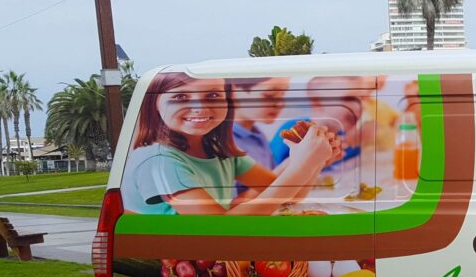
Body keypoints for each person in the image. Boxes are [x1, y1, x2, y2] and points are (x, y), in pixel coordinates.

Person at [121, 72, 342, 215]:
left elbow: (289, 197)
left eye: (213, 96)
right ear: (155, 106)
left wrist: (313, 161)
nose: (200, 107)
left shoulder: (220, 153)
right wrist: (303, 163)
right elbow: (220, 229)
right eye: (181, 98)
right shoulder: (159, 161)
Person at [230, 76, 290, 169]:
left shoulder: (258, 136)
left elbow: (270, 179)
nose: (280, 104)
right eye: (270, 95)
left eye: (282, 94)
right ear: (233, 93)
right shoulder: (226, 142)